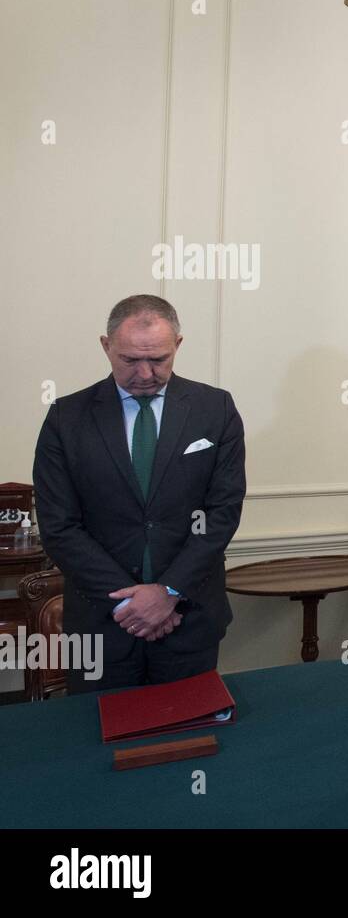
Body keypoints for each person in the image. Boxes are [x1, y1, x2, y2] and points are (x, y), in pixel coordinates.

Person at [33, 295, 246, 692]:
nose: (146, 373)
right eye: (130, 360)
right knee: (101, 744)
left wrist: (168, 592)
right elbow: (60, 526)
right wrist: (133, 604)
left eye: (160, 359)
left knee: (190, 742)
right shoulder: (66, 418)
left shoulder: (215, 409)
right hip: (102, 623)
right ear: (105, 345)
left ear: (178, 345)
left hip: (190, 620)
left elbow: (222, 513)